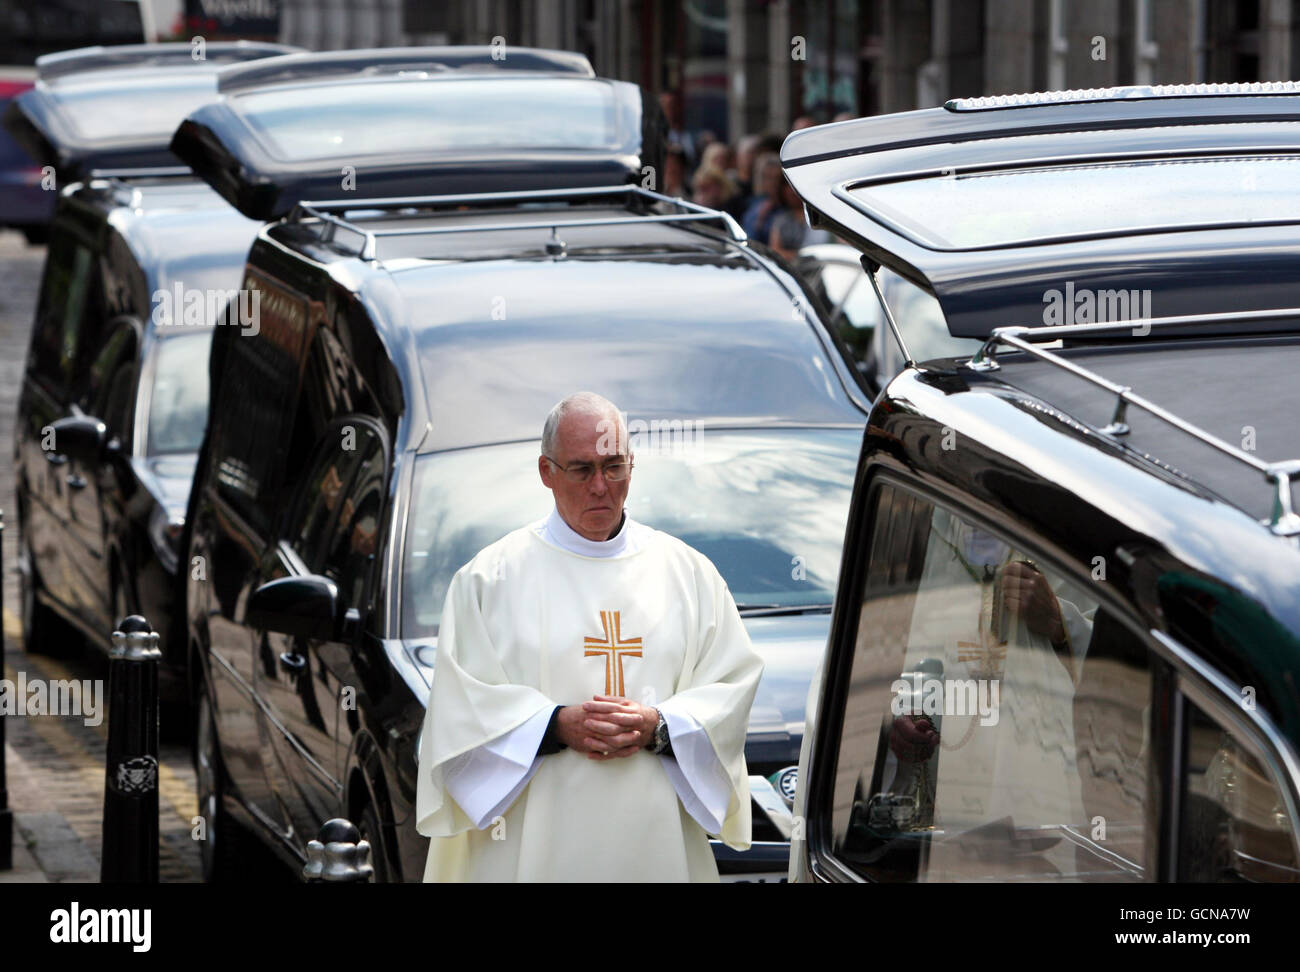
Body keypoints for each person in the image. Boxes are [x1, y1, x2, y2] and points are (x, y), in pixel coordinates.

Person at [415, 392, 764, 881]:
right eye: (581, 469)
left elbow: (732, 687)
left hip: (654, 839)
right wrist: (553, 725)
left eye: (614, 467)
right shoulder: (489, 580)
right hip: (529, 842)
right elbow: (460, 712)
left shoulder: (688, 574)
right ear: (545, 472)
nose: (601, 486)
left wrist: (659, 724)